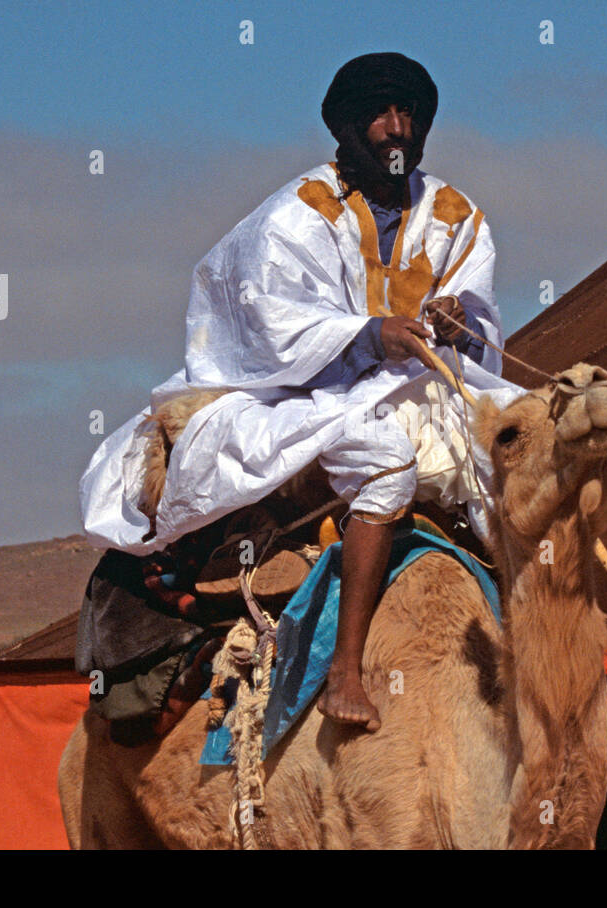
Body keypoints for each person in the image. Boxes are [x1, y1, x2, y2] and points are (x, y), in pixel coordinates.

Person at [80, 52, 527, 734]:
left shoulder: (455, 215)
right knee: (386, 462)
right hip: (296, 395)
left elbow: (477, 310)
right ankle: (345, 667)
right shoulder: (297, 214)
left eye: (408, 113)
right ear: (350, 125)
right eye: (380, 113)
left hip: (421, 389)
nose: (395, 128)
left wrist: (459, 319)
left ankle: (538, 656)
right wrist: (372, 333)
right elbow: (267, 326)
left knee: (532, 453)